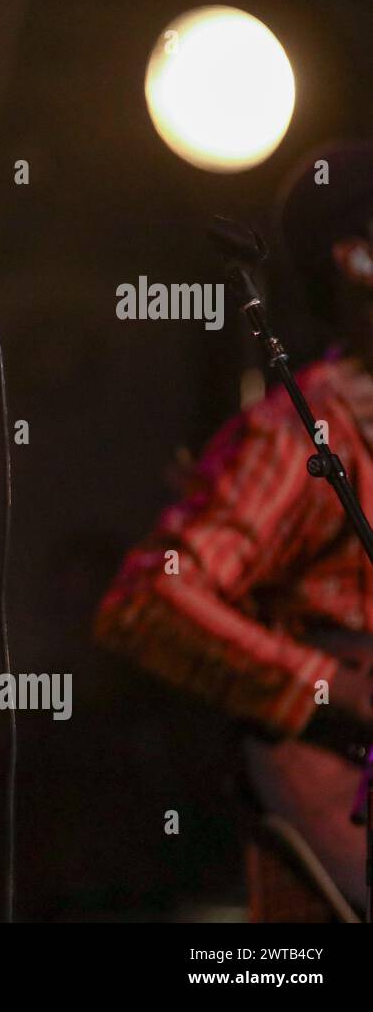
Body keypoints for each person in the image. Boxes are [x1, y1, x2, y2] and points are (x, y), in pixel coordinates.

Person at [93, 140, 373, 922]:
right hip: (340, 805)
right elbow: (151, 598)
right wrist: (336, 687)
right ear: (356, 262)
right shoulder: (301, 433)